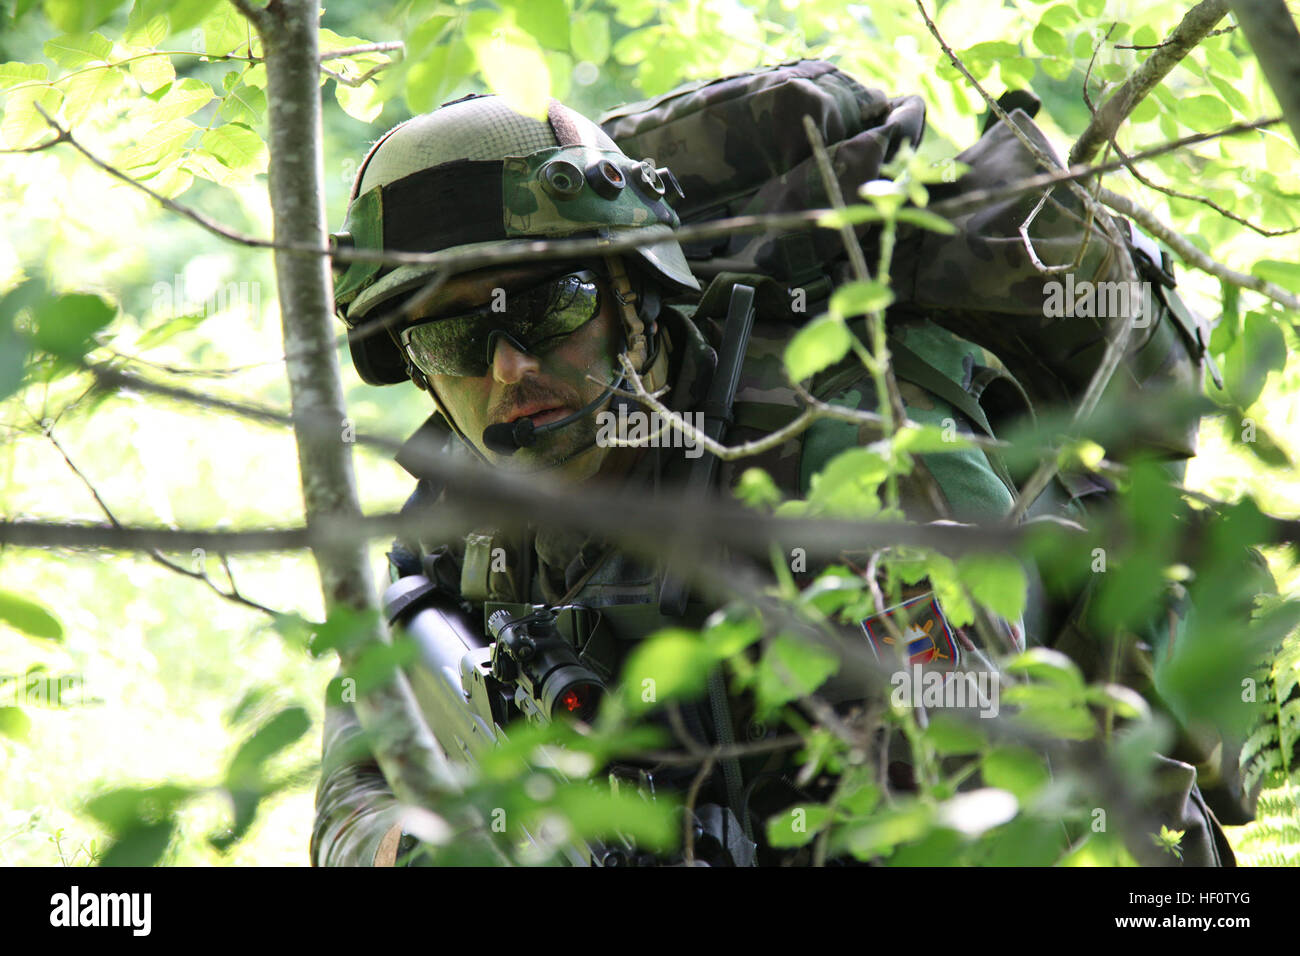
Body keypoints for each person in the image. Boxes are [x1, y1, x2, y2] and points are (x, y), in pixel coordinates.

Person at [310, 90, 1230, 866]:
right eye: (452, 338)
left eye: (556, 304)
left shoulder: (846, 457)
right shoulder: (456, 505)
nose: (506, 368)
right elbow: (357, 771)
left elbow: (992, 802)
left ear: (637, 289)